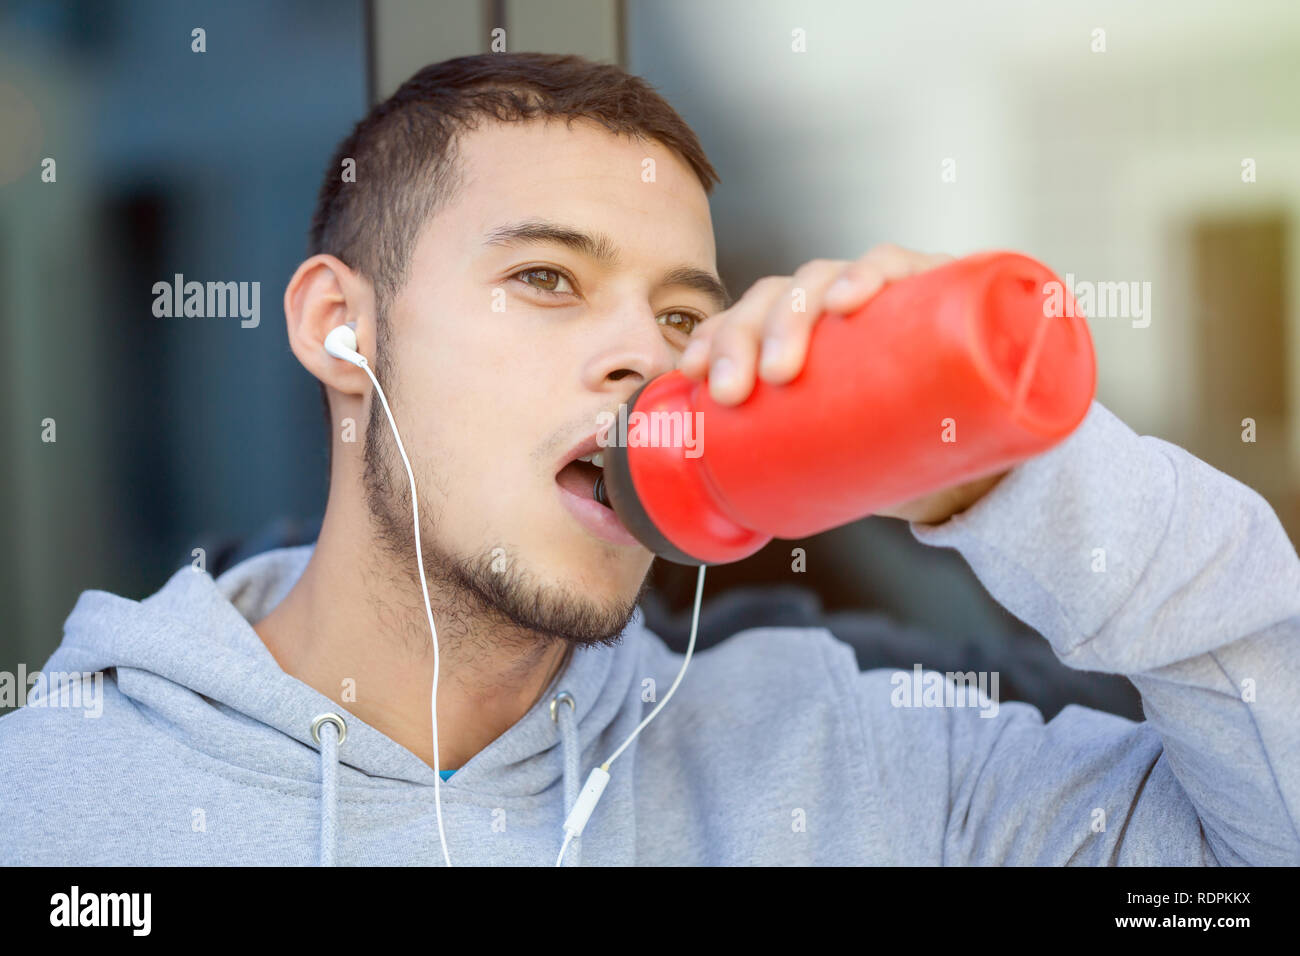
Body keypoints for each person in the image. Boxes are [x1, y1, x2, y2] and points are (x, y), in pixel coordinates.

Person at [1, 53, 1296, 866]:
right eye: (547, 278)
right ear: (341, 326)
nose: (645, 356)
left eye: (685, 315)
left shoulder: (852, 757)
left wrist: (1019, 481)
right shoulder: (52, 794)